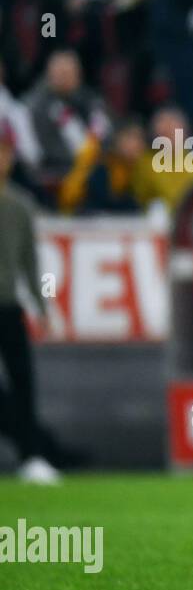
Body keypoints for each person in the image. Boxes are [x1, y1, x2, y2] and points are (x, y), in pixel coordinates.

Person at [0, 130, 60, 484]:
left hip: (8, 305)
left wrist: (41, 306)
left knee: (24, 383)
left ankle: (31, 456)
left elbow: (31, 262)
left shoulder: (21, 205)